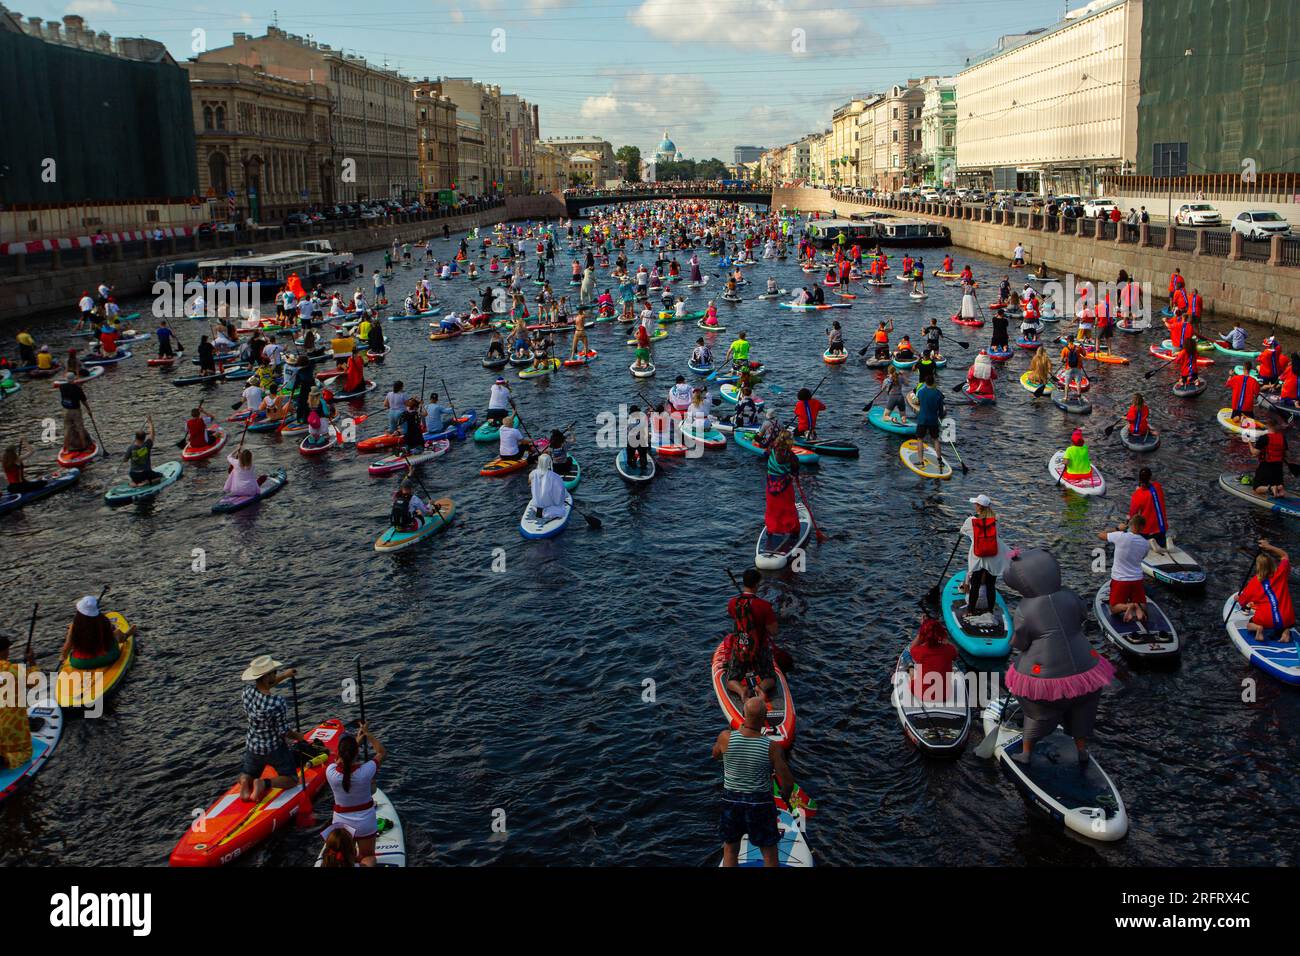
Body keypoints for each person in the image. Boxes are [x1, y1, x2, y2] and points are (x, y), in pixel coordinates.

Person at [1002, 549, 1115, 766]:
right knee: (1082, 708)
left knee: (1036, 711)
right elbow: (1082, 616)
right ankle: (1081, 750)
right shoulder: (1070, 595)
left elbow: (1020, 642)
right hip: (1087, 671)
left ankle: (1026, 752)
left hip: (1046, 679)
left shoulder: (1025, 608)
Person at [712, 695, 796, 868]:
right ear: (765, 719)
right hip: (760, 804)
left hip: (731, 801)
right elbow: (787, 782)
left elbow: (716, 755)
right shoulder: (772, 748)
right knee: (769, 854)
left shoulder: (725, 738)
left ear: (743, 713)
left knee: (730, 850)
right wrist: (784, 793)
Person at [237, 655, 312, 803]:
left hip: (253, 746)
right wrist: (298, 736)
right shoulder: (277, 702)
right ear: (267, 677)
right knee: (292, 779)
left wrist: (285, 675)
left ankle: (246, 783)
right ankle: (264, 783)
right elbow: (283, 731)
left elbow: (264, 687)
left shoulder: (246, 692)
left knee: (248, 772)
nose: (276, 674)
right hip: (273, 748)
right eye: (274, 673)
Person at [324, 724, 387, 867]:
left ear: (339, 754)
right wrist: (367, 734)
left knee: (346, 858)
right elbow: (382, 752)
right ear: (356, 753)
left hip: (341, 824)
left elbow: (341, 760)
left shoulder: (331, 772)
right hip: (365, 822)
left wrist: (356, 743)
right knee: (368, 858)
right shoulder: (366, 771)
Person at [960, 494, 1010, 615]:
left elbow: (962, 531)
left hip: (978, 556)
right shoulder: (996, 519)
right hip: (993, 556)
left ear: (978, 506)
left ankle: (971, 611)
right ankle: (990, 610)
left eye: (975, 504)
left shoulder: (971, 521)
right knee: (991, 585)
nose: (974, 505)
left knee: (975, 585)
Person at [1236, 539, 1295, 642]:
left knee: (1249, 624)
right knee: (1287, 623)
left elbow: (1242, 602)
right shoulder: (1281, 573)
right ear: (1272, 564)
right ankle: (1285, 632)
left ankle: (1258, 629)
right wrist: (1269, 547)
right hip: (1287, 617)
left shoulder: (1254, 583)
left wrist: (1238, 598)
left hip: (1265, 620)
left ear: (1258, 567)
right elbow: (1284, 555)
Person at [0, 629, 41, 772]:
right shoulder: (13, 670)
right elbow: (35, 680)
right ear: (4, 651)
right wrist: (32, 662)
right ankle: (6, 759)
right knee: (26, 753)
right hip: (9, 729)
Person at [1097, 515, 1151, 623]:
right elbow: (1142, 557)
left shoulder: (1120, 536)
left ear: (1131, 525)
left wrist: (1118, 528)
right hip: (1137, 580)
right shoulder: (1146, 544)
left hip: (1120, 579)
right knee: (1144, 607)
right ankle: (1139, 605)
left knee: (1114, 608)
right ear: (1143, 528)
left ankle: (1129, 606)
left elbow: (1100, 535)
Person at [59, 594, 132, 671]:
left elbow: (67, 647)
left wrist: (62, 657)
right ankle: (124, 636)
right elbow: (110, 638)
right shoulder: (104, 621)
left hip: (79, 663)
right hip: (106, 658)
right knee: (115, 635)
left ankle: (123, 636)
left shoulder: (74, 627)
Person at [907, 616, 958, 701]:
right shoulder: (949, 650)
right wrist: (944, 638)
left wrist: (922, 630)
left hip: (922, 694)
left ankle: (910, 668)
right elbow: (956, 652)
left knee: (912, 671)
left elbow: (911, 648)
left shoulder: (919, 651)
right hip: (945, 695)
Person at [1129, 467, 1170, 550]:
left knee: (1132, 526)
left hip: (1146, 532)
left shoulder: (1137, 495)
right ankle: (1162, 543)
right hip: (1162, 529)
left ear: (1139, 479)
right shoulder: (1158, 487)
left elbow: (1133, 513)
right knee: (1161, 540)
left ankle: (1150, 543)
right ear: (1150, 477)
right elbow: (1150, 488)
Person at [1250, 414, 1289, 498]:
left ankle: (1271, 489)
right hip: (1279, 467)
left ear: (1267, 425)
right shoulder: (1282, 437)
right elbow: (1286, 454)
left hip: (1266, 466)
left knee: (1256, 489)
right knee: (1277, 483)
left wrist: (1249, 443)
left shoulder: (1264, 438)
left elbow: (1254, 452)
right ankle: (1280, 488)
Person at [528, 452, 569, 522]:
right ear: (550, 463)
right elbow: (560, 494)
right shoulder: (556, 477)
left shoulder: (532, 473)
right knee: (560, 507)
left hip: (536, 506)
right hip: (550, 510)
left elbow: (530, 484)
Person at [124, 417, 163, 486]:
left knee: (134, 478)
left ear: (135, 438)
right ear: (144, 438)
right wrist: (150, 422)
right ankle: (146, 482)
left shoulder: (130, 448)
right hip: (145, 473)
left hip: (133, 474)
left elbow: (125, 460)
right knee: (160, 476)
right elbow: (152, 434)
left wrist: (129, 455)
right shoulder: (147, 445)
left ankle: (134, 483)